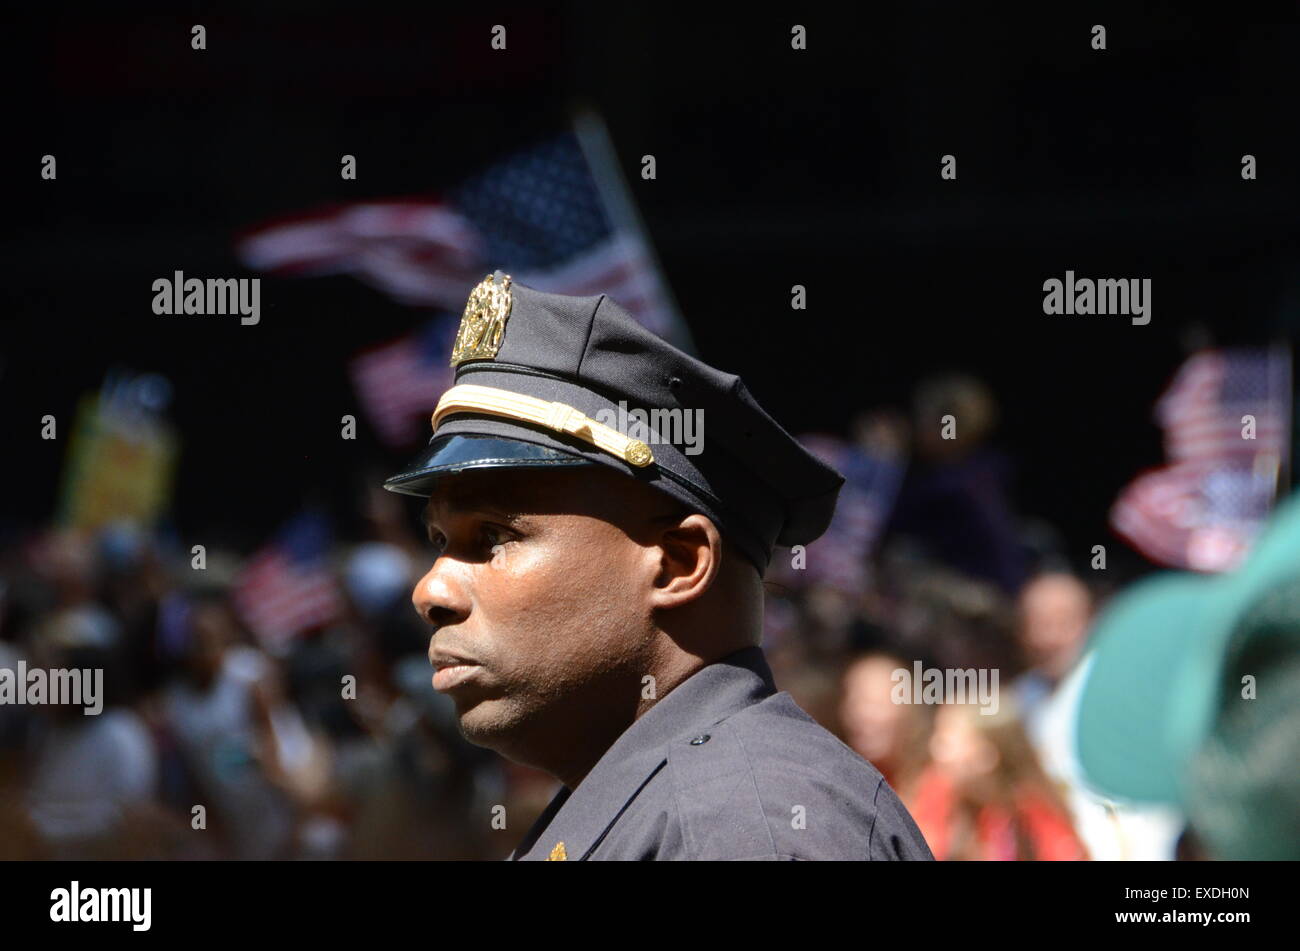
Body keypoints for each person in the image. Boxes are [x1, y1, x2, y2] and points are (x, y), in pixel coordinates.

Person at [382, 272, 933, 860]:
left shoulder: (740, 827)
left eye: (493, 537)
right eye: (438, 539)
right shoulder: (674, 804)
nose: (430, 590)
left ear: (678, 563)